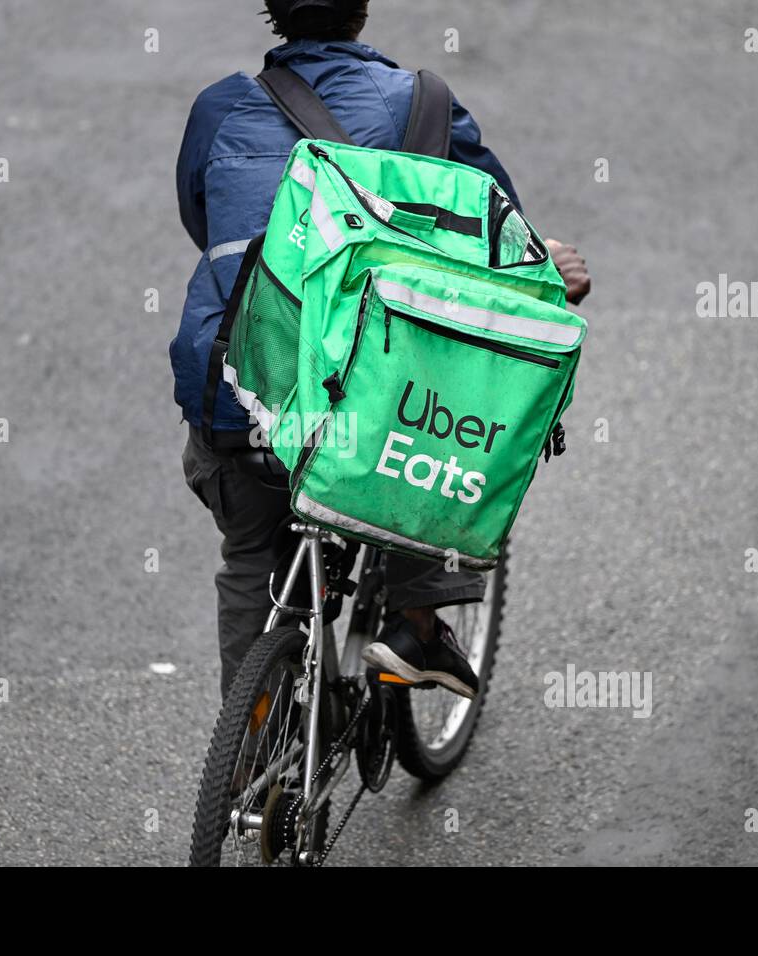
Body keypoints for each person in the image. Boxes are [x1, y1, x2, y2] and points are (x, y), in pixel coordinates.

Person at [171, 0, 590, 701]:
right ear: (363, 8)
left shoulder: (219, 108)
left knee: (251, 556)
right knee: (421, 421)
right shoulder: (420, 104)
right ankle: (415, 624)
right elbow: (491, 249)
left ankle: (250, 751)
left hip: (234, 389)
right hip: (359, 411)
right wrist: (551, 265)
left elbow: (203, 220)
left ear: (272, 11)